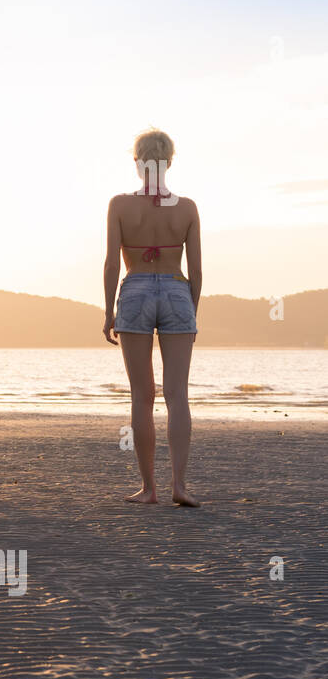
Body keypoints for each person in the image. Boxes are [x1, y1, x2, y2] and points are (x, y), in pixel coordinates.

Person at [102, 129, 201, 507]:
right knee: (177, 396)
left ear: (137, 161)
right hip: (177, 290)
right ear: (170, 161)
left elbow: (112, 262)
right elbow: (197, 271)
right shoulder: (188, 207)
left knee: (142, 396)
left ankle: (149, 489)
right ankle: (180, 484)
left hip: (136, 290)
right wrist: (191, 313)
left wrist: (108, 309)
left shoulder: (120, 206)